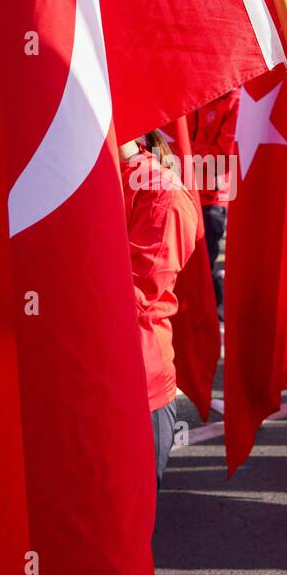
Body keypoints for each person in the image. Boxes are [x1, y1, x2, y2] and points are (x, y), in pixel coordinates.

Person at [121, 131, 200, 492]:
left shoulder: (159, 190)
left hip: (135, 384)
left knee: (123, 537)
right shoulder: (74, 177)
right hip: (76, 380)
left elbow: (136, 295)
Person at [187, 90, 239, 317]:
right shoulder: (194, 94)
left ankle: (212, 308)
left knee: (203, 266)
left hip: (212, 200)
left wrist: (185, 149)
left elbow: (223, 157)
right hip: (187, 192)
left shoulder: (234, 102)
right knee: (190, 268)